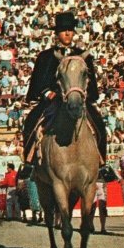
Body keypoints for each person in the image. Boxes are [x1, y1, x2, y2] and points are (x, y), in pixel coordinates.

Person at [21, 11, 107, 170]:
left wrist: (84, 94)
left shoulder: (83, 56)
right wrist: (47, 93)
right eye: (63, 30)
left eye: (70, 30)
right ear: (57, 33)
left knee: (98, 123)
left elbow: (91, 82)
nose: (67, 33)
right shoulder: (45, 56)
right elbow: (39, 80)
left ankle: (102, 164)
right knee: (32, 121)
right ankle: (29, 162)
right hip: (53, 100)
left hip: (76, 99)